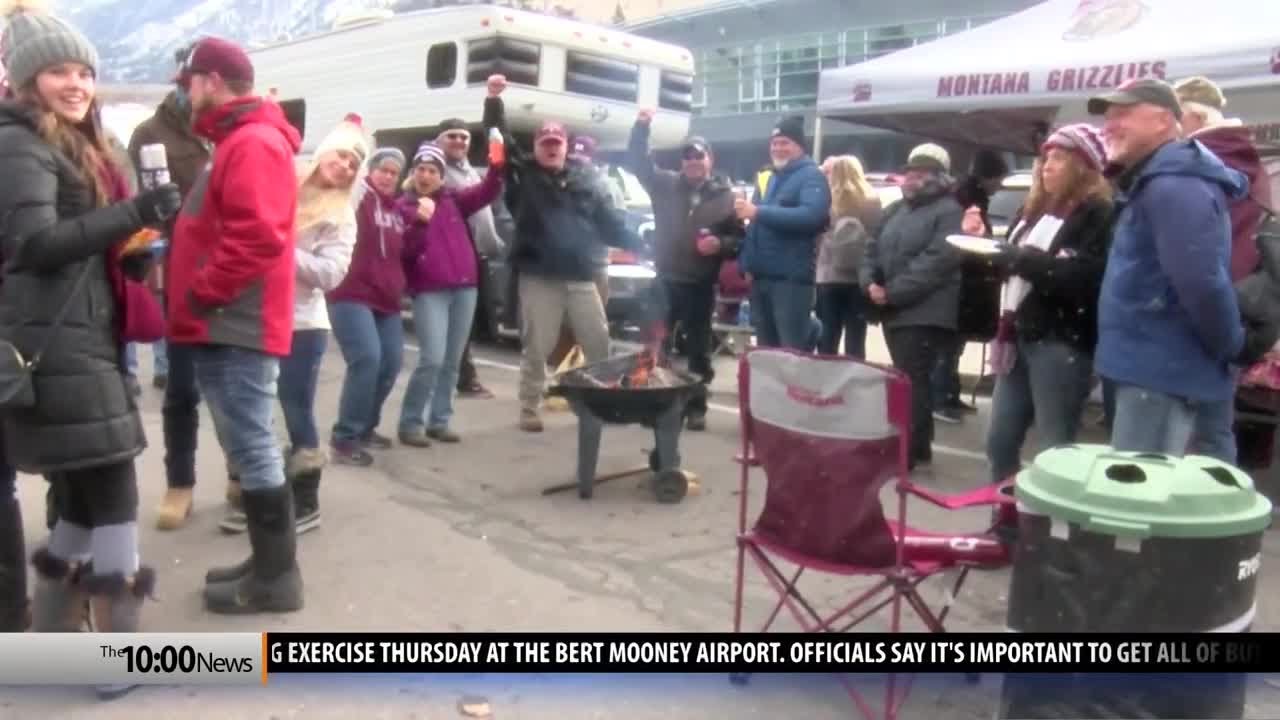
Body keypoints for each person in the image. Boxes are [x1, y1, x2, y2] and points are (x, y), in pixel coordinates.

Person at [0, 0, 180, 669]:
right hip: (58, 347)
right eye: (58, 72)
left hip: (81, 337)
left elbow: (77, 248)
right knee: (113, 497)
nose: (76, 83)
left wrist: (133, 248)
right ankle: (114, 662)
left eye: (83, 70)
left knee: (80, 496)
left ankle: (49, 647)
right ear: (26, 80)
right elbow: (33, 243)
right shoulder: (19, 140)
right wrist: (130, 212)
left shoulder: (72, 142)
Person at [166, 36, 305, 615]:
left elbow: (258, 235)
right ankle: (266, 565)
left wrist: (202, 293)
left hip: (234, 322)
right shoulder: (239, 141)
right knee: (249, 448)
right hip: (226, 321)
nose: (185, 93)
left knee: (253, 447)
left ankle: (277, 580)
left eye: (188, 82)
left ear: (212, 81)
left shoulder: (251, 143)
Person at [1088, 78, 1267, 455]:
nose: (1109, 126)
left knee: (1142, 496)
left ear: (1163, 121)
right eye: (1108, 117)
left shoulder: (1175, 186)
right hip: (1157, 366)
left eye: (1123, 114)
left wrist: (1230, 344)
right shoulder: (1157, 180)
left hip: (1161, 372)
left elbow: (1201, 281)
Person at [482, 74, 639, 433]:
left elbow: (609, 223)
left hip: (582, 276)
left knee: (599, 342)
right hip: (540, 278)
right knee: (537, 347)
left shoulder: (585, 180)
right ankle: (529, 407)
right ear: (536, 146)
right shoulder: (521, 174)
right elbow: (498, 137)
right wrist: (493, 101)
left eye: (557, 143)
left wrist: (639, 243)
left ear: (566, 146)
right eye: (546, 143)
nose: (552, 148)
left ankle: (601, 402)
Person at [126, 42, 230, 532]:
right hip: (182, 276)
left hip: (232, 274)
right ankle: (180, 482)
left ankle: (241, 473)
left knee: (236, 386)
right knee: (183, 388)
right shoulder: (151, 133)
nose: (203, 87)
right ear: (183, 81)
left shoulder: (231, 131)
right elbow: (147, 210)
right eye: (195, 78)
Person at [983, 124, 1114, 483]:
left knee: (1055, 447)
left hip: (1062, 339)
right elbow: (1013, 268)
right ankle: (1005, 518)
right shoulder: (1032, 210)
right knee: (999, 440)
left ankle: (1049, 529)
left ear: (1083, 165)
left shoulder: (1098, 213)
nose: (1047, 167)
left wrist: (1018, 258)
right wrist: (987, 247)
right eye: (1045, 158)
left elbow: (1082, 278)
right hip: (1018, 335)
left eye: (1059, 158)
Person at [270, 114, 363, 534]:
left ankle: (306, 501)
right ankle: (258, 490)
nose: (345, 166)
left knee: (295, 407)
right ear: (324, 152)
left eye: (353, 165)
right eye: (342, 155)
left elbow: (330, 275)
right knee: (254, 410)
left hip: (303, 324)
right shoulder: (285, 191)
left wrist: (280, 251)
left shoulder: (342, 216)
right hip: (256, 316)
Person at [1175, 76, 1275, 464]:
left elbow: (1209, 244)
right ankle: (1218, 509)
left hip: (1211, 303)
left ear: (1197, 115)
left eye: (1177, 115)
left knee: (1203, 426)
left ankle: (1209, 513)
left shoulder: (1211, 158)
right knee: (1212, 422)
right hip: (1230, 301)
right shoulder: (1242, 158)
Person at [626, 110, 742, 430]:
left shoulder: (727, 198)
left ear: (710, 160)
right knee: (657, 345)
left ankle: (695, 407)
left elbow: (739, 240)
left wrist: (720, 244)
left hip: (700, 284)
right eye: (687, 156)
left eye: (698, 156)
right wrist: (641, 127)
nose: (692, 161)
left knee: (697, 351)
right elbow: (637, 160)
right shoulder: (664, 184)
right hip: (665, 280)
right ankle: (658, 406)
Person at [859, 143, 964, 470]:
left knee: (912, 378)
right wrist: (870, 283)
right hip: (893, 307)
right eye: (909, 173)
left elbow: (937, 261)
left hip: (925, 309)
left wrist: (893, 292)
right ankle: (915, 446)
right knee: (908, 377)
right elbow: (870, 248)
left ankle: (909, 450)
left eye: (919, 174)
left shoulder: (949, 211)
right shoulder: (895, 210)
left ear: (936, 178)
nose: (911, 179)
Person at [397, 140, 504, 445]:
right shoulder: (404, 207)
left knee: (452, 360)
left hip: (464, 288)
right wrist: (419, 221)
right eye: (421, 169)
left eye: (433, 170)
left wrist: (497, 167)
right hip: (429, 290)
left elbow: (487, 191)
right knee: (431, 357)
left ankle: (439, 421)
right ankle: (410, 423)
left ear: (442, 176)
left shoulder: (454, 200)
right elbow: (405, 250)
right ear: (414, 173)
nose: (426, 176)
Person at [327, 147, 408, 467]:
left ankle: (365, 427)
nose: (388, 176)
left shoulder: (397, 210)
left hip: (386, 299)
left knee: (390, 363)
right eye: (383, 170)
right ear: (371, 172)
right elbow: (352, 187)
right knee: (367, 359)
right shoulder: (359, 199)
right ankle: (345, 438)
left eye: (394, 172)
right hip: (352, 293)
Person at [735, 116, 830, 349]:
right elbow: (753, 227)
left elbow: (811, 216)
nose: (778, 148)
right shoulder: (771, 177)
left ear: (799, 145)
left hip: (791, 283)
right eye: (774, 143)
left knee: (790, 354)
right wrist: (746, 264)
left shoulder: (812, 176)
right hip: (762, 281)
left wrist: (759, 212)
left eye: (785, 142)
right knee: (767, 353)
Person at [933, 149, 1011, 423]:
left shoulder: (970, 196)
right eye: (999, 178)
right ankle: (941, 397)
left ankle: (949, 393)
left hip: (968, 282)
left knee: (956, 342)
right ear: (987, 176)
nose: (1001, 185)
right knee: (952, 343)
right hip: (964, 283)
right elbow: (968, 240)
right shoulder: (968, 200)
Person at [436, 117, 507, 400]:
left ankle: (460, 375)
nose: (459, 142)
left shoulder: (470, 172)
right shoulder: (436, 171)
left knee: (474, 321)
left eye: (464, 137)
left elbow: (487, 199)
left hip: (479, 255)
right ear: (439, 140)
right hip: (453, 256)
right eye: (452, 136)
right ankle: (464, 378)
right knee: (456, 323)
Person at [546, 134, 614, 375]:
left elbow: (615, 222)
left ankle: (587, 377)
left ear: (592, 159)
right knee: (561, 327)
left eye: (582, 159)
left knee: (592, 327)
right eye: (573, 158)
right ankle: (560, 381)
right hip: (560, 267)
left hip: (593, 265)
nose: (577, 164)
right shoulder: (555, 181)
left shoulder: (604, 184)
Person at [816, 155, 880, 359]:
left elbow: (817, 236)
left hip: (829, 276)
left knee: (828, 334)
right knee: (856, 336)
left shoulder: (827, 199)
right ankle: (854, 382)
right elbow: (876, 236)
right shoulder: (871, 200)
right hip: (859, 278)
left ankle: (826, 382)